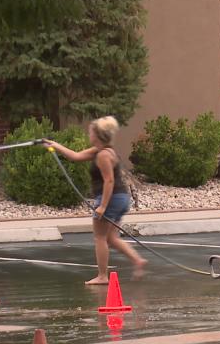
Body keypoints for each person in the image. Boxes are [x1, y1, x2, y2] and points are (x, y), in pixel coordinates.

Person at [44, 116, 146, 285]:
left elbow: (109, 181)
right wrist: (54, 145)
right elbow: (75, 156)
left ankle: (102, 276)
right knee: (111, 238)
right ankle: (137, 261)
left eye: (91, 131)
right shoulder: (100, 151)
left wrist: (102, 206)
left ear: (97, 135)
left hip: (111, 198)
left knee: (99, 237)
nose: (88, 133)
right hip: (120, 198)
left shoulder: (103, 155)